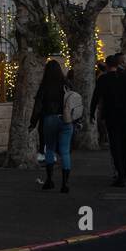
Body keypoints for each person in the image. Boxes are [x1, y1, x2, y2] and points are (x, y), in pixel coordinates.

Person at [90, 54, 126, 187]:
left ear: (107, 65)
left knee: (115, 146)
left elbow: (96, 97)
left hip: (111, 116)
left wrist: (91, 113)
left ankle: (121, 174)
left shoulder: (103, 79)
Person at [30, 59, 74, 192]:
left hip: (49, 119)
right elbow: (74, 102)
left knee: (49, 149)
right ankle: (65, 183)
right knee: (65, 151)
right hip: (66, 120)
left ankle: (49, 180)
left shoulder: (45, 85)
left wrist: (33, 123)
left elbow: (38, 106)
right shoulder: (66, 84)